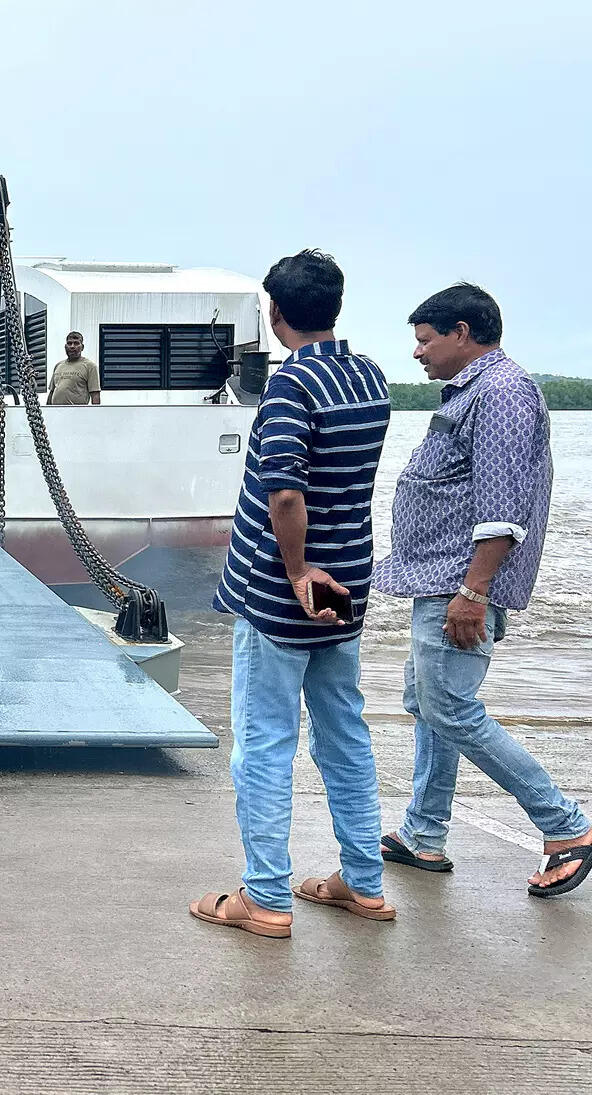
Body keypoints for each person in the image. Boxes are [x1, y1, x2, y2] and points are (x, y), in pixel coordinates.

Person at [191, 249, 394, 939]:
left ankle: (265, 896)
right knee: (344, 733)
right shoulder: (369, 378)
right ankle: (364, 882)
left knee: (265, 743)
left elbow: (284, 491)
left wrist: (299, 569)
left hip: (284, 596)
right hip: (351, 588)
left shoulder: (291, 389)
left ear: (276, 313)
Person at [373, 284, 591, 898]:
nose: (417, 353)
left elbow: (504, 510)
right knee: (430, 704)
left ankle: (566, 826)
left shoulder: (498, 394)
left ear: (461, 333)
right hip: (438, 576)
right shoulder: (479, 391)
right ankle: (424, 833)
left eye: (424, 340)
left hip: (457, 581)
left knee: (449, 707)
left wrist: (474, 592)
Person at [45, 331, 100, 406]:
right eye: (69, 343)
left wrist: (95, 414)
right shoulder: (58, 365)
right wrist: (47, 412)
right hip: (56, 413)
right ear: (65, 346)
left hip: (77, 414)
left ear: (82, 347)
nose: (72, 346)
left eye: (76, 343)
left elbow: (95, 394)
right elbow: (52, 392)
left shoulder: (90, 366)